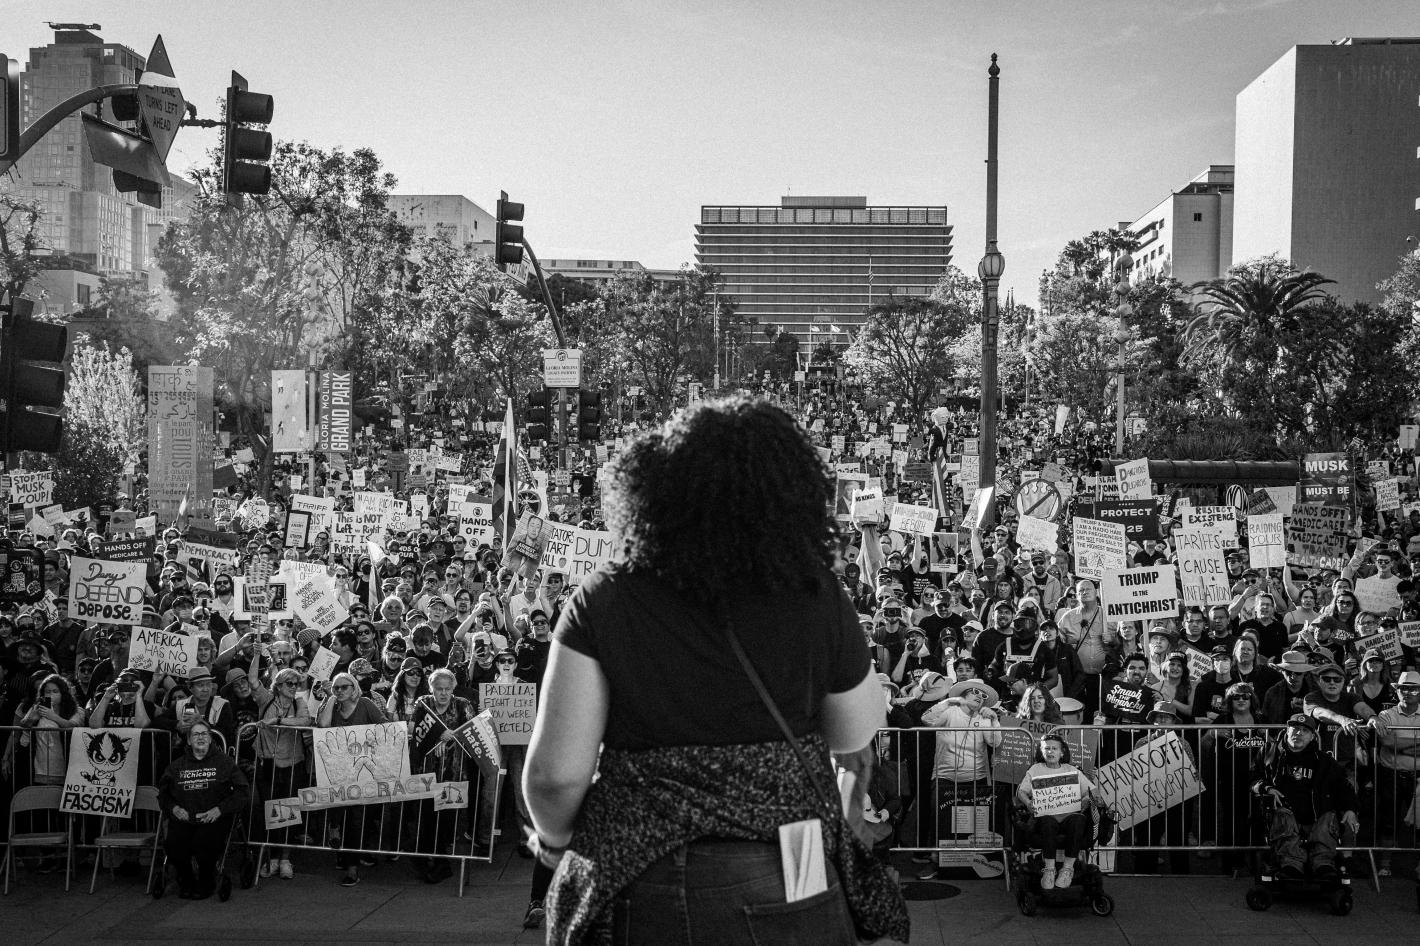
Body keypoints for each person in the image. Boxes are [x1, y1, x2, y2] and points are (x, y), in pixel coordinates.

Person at [523, 397, 906, 944]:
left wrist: (559, 845)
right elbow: (856, 730)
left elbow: (555, 776)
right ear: (790, 490)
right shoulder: (815, 591)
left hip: (639, 874)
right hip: (794, 861)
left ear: (655, 488)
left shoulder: (605, 596)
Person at [1250, 714, 1359, 879]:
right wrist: (1266, 788)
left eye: (1304, 730)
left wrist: (1350, 809)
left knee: (1329, 816)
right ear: (1287, 730)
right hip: (1284, 813)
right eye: (1295, 728)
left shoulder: (1324, 760)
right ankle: (1291, 864)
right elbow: (1252, 778)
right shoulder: (1269, 752)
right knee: (1282, 814)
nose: (1298, 733)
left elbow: (1344, 787)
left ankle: (1323, 865)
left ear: (1312, 736)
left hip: (1316, 816)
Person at [157, 720, 251, 899]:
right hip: (185, 817)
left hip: (214, 817)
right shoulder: (176, 766)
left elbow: (242, 792)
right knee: (174, 845)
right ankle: (186, 879)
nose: (200, 737)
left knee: (203, 843)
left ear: (210, 739)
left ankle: (206, 880)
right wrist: (174, 808)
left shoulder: (225, 763)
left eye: (204, 734)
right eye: (195, 734)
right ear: (189, 741)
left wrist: (220, 810)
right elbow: (163, 794)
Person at [1016, 732, 1102, 890]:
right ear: (1041, 752)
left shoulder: (1071, 770)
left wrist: (1086, 799)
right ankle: (1049, 869)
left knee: (1079, 820)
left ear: (1062, 752)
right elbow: (1021, 792)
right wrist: (1028, 803)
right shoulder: (1035, 769)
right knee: (1048, 821)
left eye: (1054, 748)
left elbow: (1093, 791)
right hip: (1045, 818)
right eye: (1046, 748)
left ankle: (1067, 869)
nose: (1050, 752)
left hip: (1069, 818)